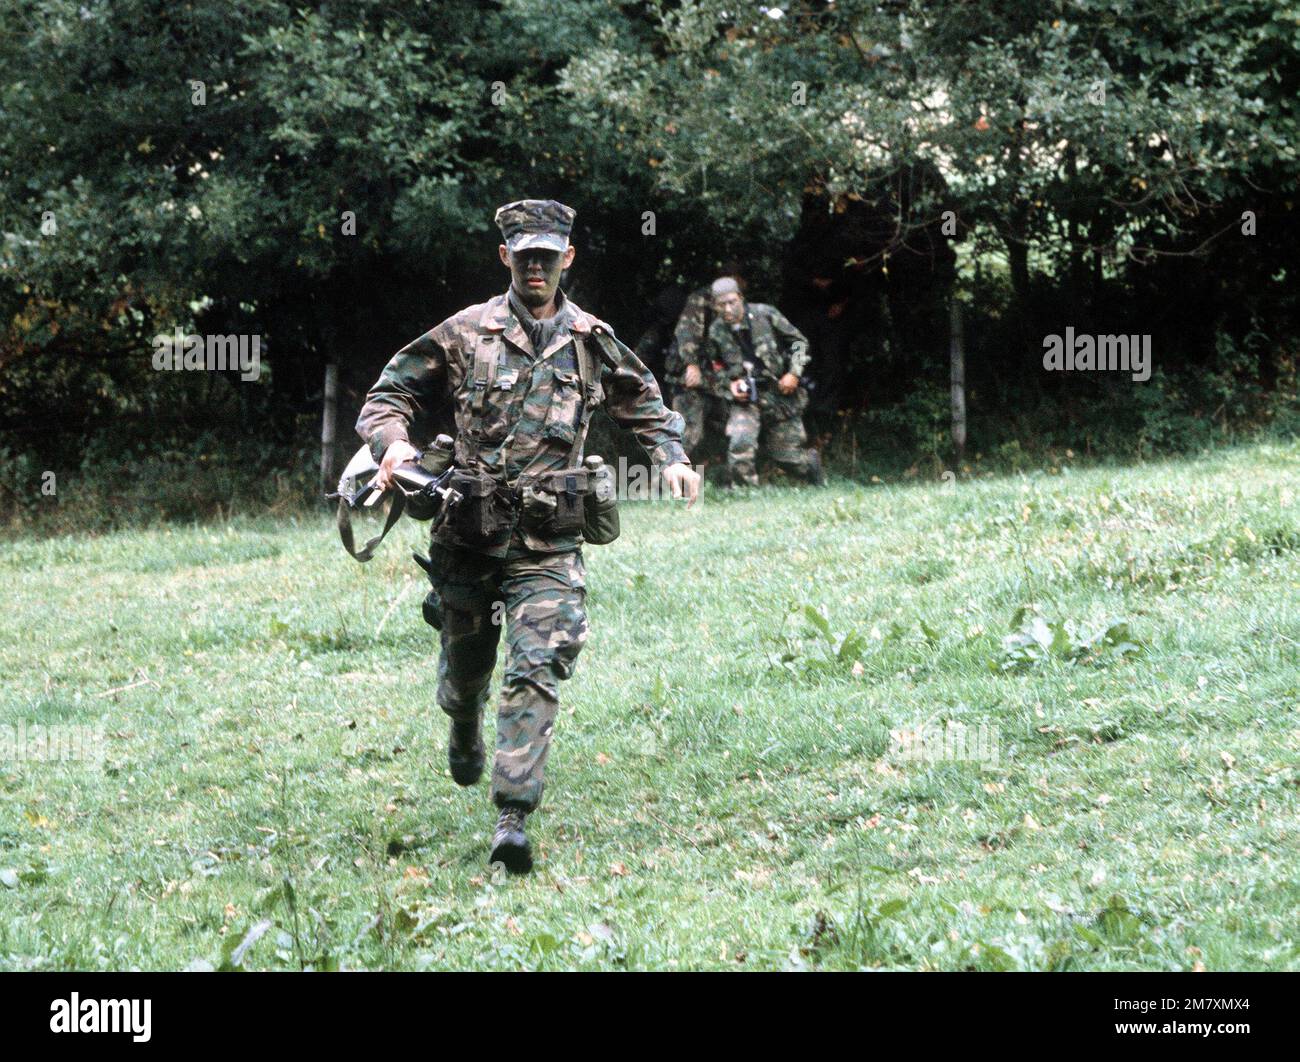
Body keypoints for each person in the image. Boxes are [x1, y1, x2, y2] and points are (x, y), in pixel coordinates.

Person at [355, 199, 700, 873]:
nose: (535, 267)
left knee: (536, 662)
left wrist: (673, 459)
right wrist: (393, 447)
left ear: (567, 258)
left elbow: (645, 400)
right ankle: (462, 719)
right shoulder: (464, 333)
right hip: (469, 537)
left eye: (547, 256)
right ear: (505, 257)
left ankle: (512, 814)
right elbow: (387, 395)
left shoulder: (591, 339)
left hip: (549, 541)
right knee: (468, 671)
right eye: (524, 256)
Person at [706, 277, 824, 486]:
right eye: (721, 304)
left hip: (780, 393)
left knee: (787, 457)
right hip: (745, 398)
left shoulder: (765, 314)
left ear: (741, 298)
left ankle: (810, 464)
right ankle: (745, 493)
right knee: (740, 442)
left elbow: (799, 341)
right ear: (714, 305)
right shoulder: (715, 331)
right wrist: (729, 386)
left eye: (732, 302)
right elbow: (714, 369)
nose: (728, 309)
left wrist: (794, 373)